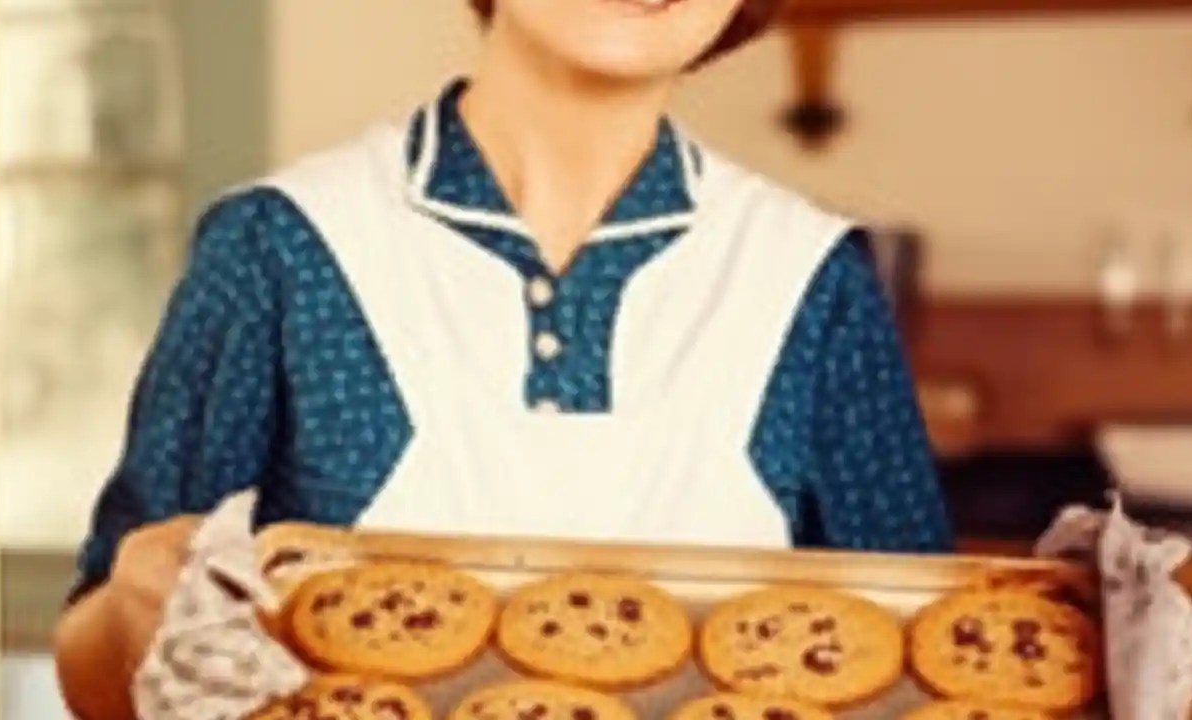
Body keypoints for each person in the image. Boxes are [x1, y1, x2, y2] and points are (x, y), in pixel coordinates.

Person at [54, 0, 952, 716]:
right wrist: (133, 616)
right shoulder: (279, 247)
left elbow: (938, 667)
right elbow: (101, 671)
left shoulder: (811, 280)